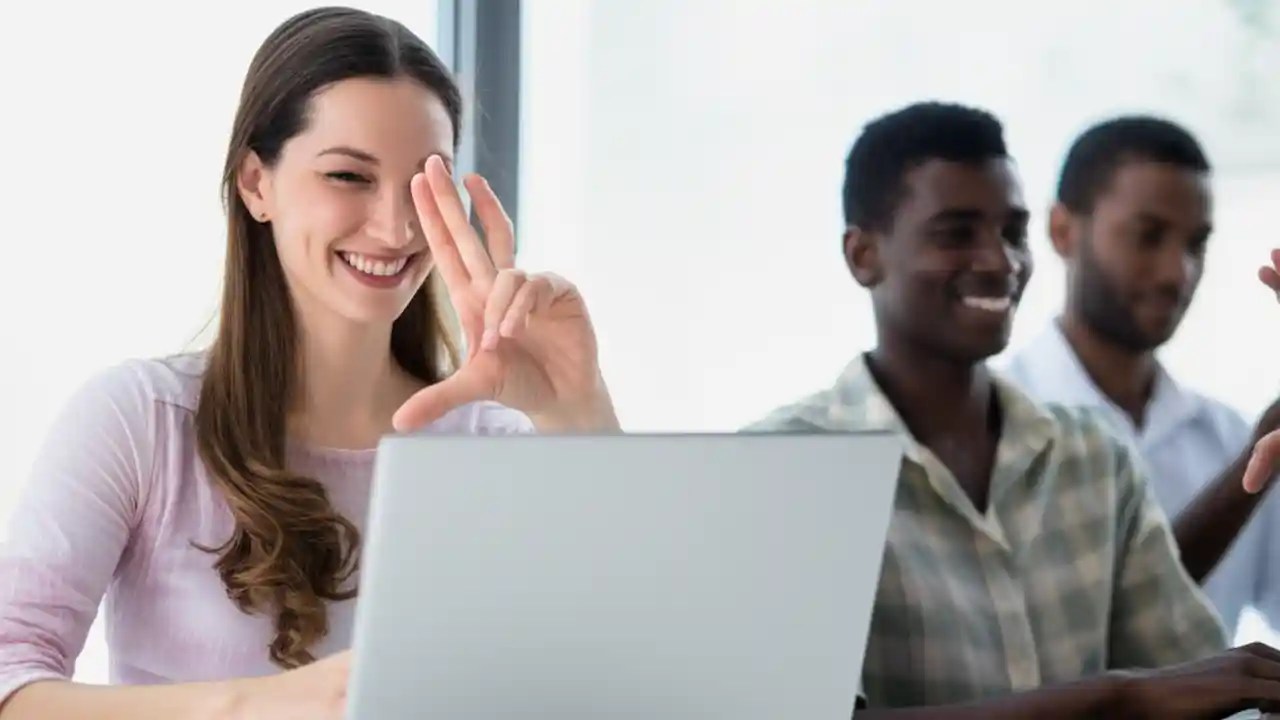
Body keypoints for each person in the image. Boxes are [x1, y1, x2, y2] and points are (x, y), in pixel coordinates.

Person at [0, 7, 618, 719]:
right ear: (256, 183)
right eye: (350, 176)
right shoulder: (142, 421)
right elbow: (11, 680)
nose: (396, 228)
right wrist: (250, 706)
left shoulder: (492, 446)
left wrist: (575, 409)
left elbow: (629, 662)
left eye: (427, 183)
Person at [747, 101, 1280, 718]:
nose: (1000, 262)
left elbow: (1195, 684)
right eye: (956, 233)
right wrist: (1120, 696)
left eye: (1010, 232)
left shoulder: (1094, 454)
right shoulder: (782, 468)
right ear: (862, 255)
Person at [1001, 116, 1280, 642]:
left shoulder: (1233, 436)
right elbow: (1073, 648)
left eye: (1196, 243)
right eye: (1147, 236)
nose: (1179, 272)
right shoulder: (987, 429)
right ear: (1063, 231)